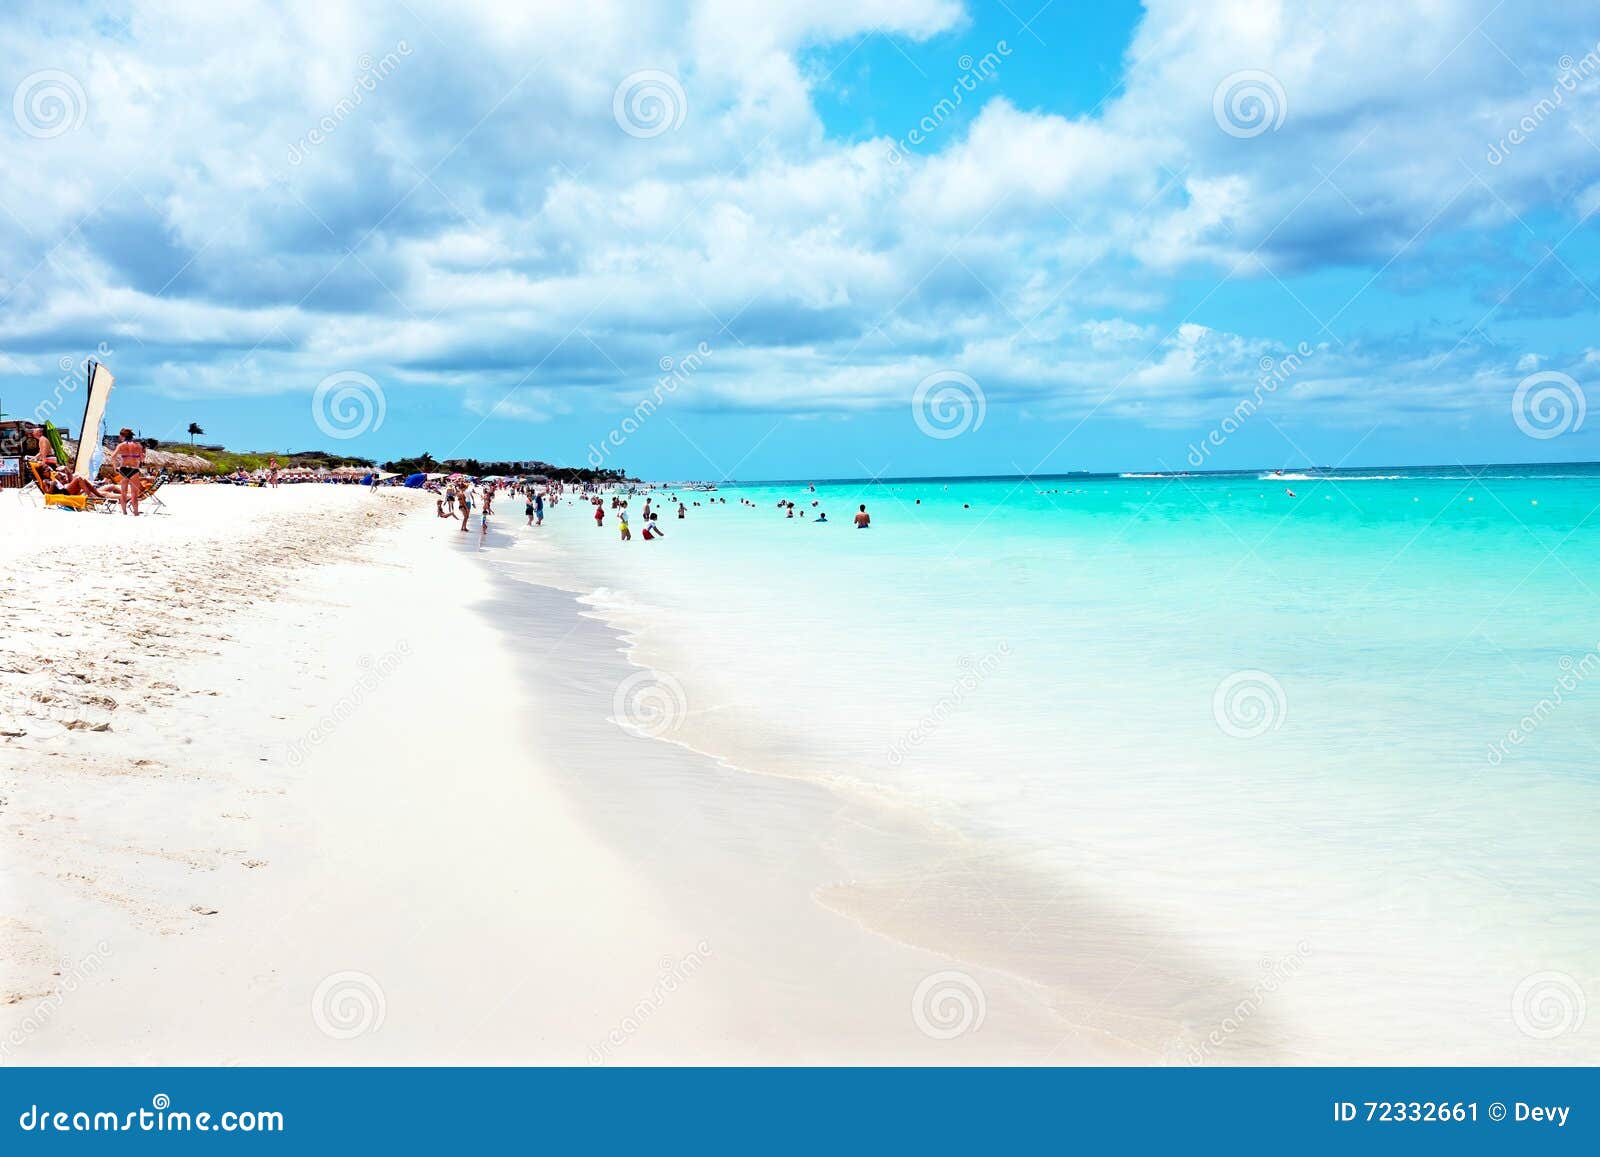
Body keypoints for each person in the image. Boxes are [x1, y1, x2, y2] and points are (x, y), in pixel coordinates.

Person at [112, 428, 146, 516]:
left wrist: (115, 467)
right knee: (134, 494)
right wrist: (141, 459)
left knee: (123, 492)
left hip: (123, 469)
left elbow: (113, 456)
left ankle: (124, 512)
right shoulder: (138, 446)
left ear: (123, 436)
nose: (119, 437)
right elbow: (142, 458)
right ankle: (136, 512)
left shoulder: (121, 445)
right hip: (134, 469)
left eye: (120, 435)